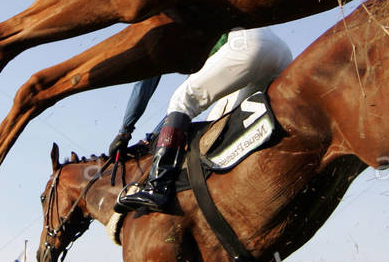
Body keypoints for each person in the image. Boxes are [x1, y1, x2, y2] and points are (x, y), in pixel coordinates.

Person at [109, 27, 293, 213]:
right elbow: (181, 119)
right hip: (279, 53)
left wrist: (124, 131)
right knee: (217, 127)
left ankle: (157, 187)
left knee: (181, 99)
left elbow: (146, 84)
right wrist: (154, 137)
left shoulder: (159, 28)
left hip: (245, 45)